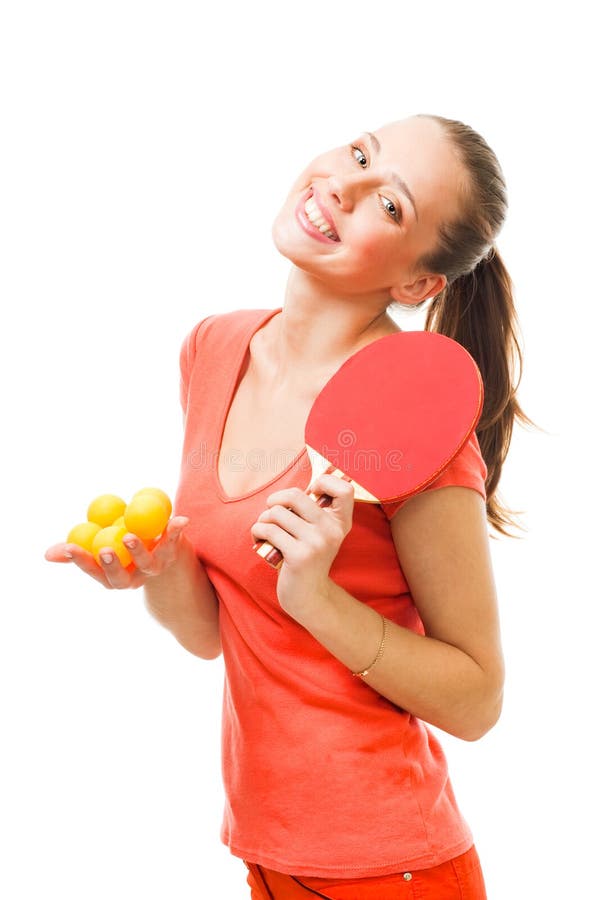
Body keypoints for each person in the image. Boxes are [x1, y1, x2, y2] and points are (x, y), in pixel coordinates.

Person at [46, 114, 529, 899]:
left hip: (390, 866)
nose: (344, 182)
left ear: (417, 284)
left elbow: (478, 700)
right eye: (360, 152)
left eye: (391, 205)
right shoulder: (213, 349)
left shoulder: (411, 418)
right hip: (267, 848)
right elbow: (217, 633)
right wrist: (163, 569)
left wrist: (319, 598)